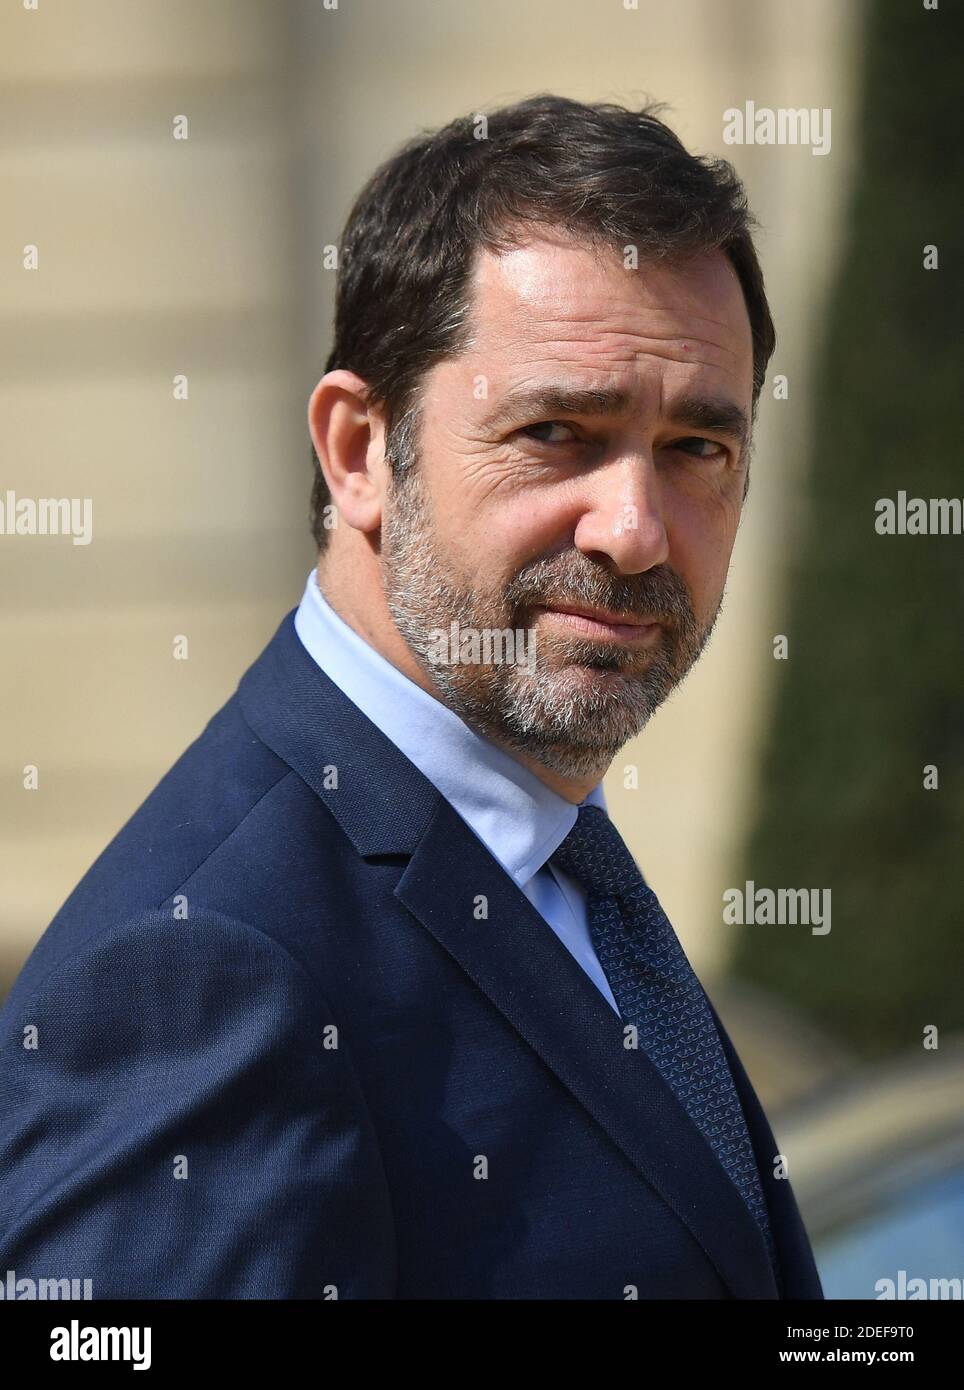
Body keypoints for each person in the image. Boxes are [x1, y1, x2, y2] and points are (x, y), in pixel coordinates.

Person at [0, 94, 823, 1299]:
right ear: (355, 451)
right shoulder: (204, 975)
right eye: (555, 431)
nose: (636, 529)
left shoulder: (549, 852)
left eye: (698, 449)